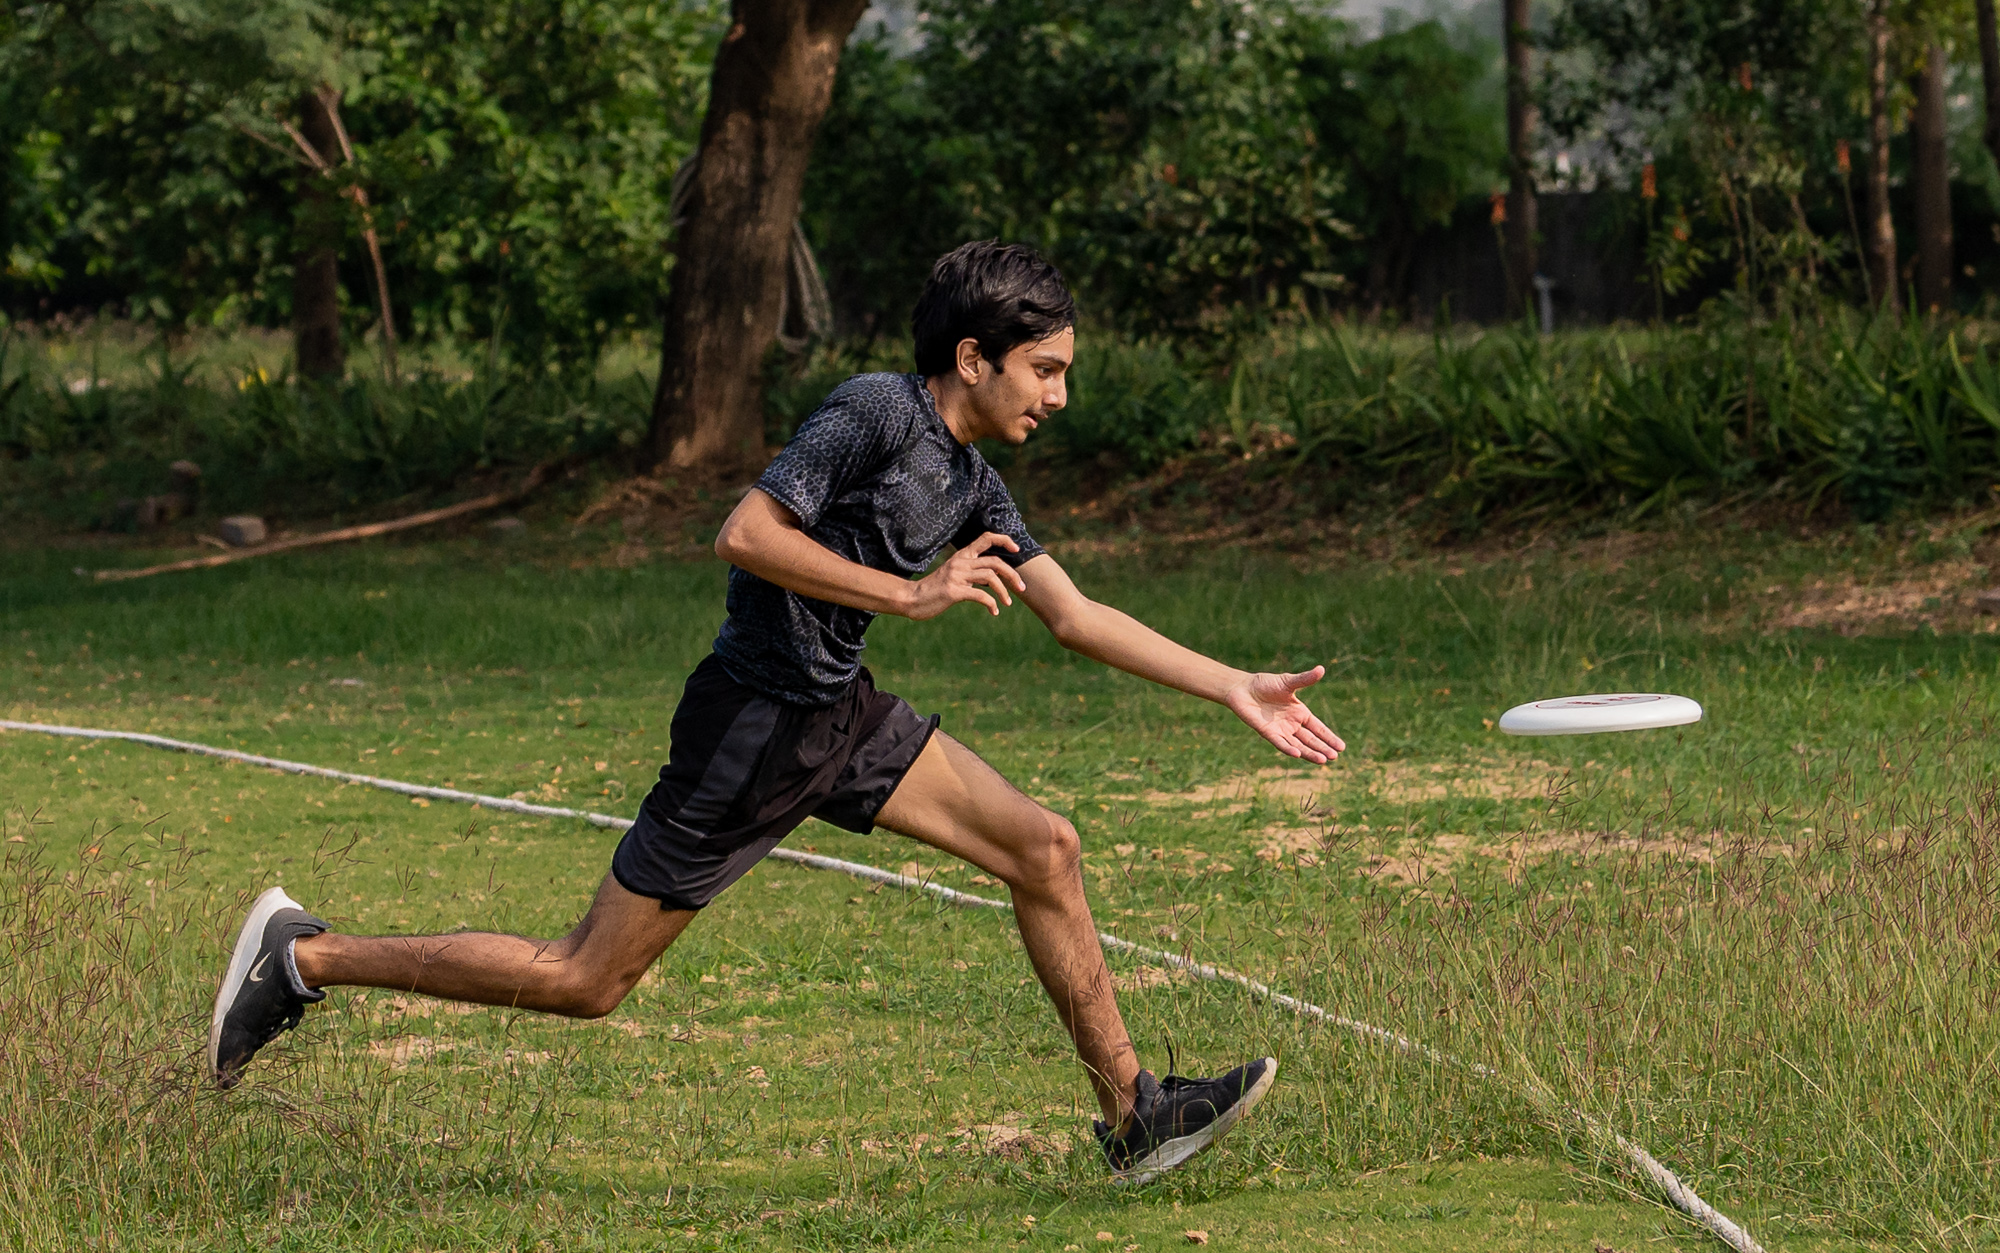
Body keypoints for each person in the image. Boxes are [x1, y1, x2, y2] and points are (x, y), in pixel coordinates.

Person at [209, 240, 1344, 1181]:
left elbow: (1077, 616)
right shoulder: (869, 413)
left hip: (838, 715)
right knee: (584, 979)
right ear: (972, 357)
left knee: (1044, 847)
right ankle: (306, 956)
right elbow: (745, 533)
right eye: (1043, 370)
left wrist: (1231, 681)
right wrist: (908, 591)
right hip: (750, 727)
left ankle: (1131, 1114)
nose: (1058, 395)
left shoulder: (969, 480)